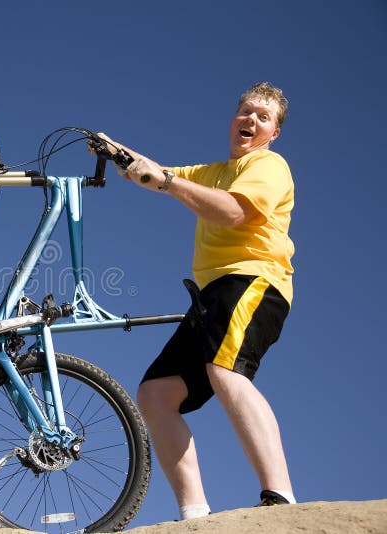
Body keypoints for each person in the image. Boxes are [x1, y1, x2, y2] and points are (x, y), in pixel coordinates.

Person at [95, 82, 296, 520]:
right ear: (233, 119)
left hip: (254, 280)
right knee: (155, 395)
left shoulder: (268, 164)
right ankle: (195, 515)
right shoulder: (214, 172)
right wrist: (114, 149)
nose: (252, 120)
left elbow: (232, 212)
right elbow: (159, 172)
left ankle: (280, 499)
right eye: (246, 111)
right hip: (211, 295)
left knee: (225, 371)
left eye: (264, 117)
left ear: (274, 132)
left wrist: (165, 182)